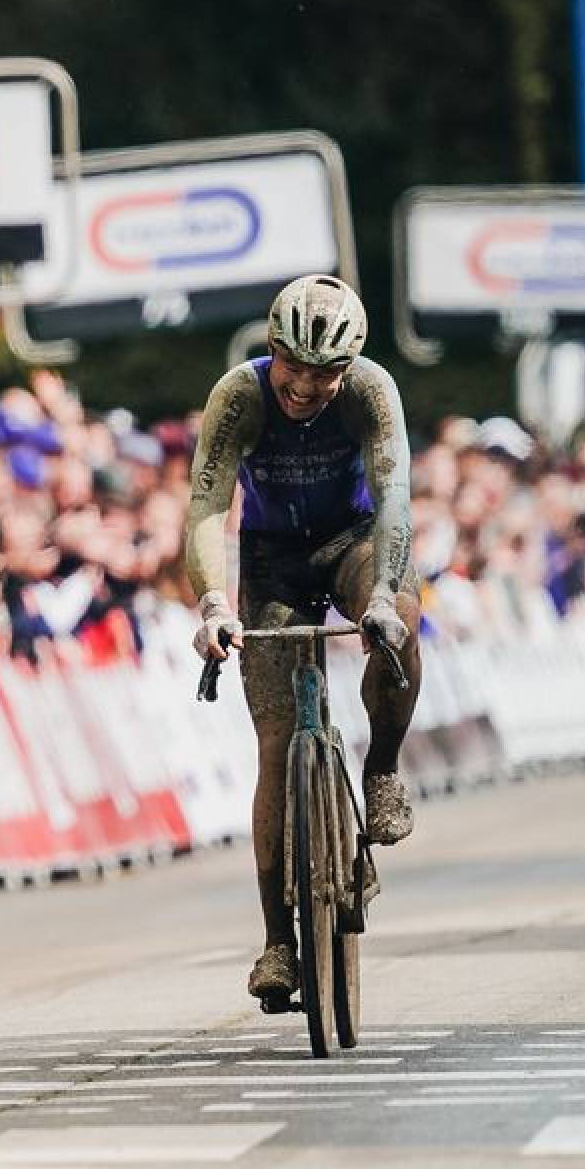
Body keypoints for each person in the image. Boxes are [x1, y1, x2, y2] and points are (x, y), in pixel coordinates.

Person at [184, 274, 422, 1012]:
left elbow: (395, 497)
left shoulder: (372, 393)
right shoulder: (239, 396)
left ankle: (381, 768)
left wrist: (383, 597)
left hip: (353, 541)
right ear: (272, 348)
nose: (307, 385)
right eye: (294, 366)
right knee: (276, 743)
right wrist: (215, 605)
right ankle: (279, 940)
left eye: (325, 373)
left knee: (399, 628)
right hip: (272, 556)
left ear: (347, 369)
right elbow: (205, 507)